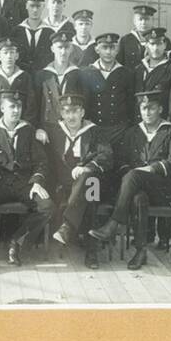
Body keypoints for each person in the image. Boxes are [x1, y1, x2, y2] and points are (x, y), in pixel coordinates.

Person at [91, 90, 171, 270]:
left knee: (134, 176)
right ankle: (140, 251)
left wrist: (151, 168)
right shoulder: (133, 132)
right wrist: (133, 172)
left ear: (160, 109)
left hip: (162, 189)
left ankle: (113, 224)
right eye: (144, 108)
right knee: (138, 198)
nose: (147, 112)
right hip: (136, 189)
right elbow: (121, 162)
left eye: (151, 108)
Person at [0, 89, 53, 274]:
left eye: (18, 107)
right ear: (2, 108)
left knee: (46, 206)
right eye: (11, 107)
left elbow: (41, 161)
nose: (16, 111)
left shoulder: (28, 130)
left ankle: (17, 242)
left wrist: (37, 182)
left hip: (23, 183)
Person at [47, 93, 112, 269]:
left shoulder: (94, 131)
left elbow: (106, 155)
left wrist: (88, 167)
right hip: (64, 184)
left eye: (75, 111)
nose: (71, 116)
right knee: (87, 194)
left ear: (82, 112)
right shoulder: (55, 131)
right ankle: (89, 247)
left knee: (91, 191)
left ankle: (72, 231)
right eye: (67, 111)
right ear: (61, 113)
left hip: (92, 181)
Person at [80, 32, 137, 141]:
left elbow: (131, 103)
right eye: (104, 47)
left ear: (117, 50)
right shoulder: (87, 73)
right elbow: (85, 103)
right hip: (94, 129)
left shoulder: (126, 73)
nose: (108, 52)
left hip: (120, 131)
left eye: (112, 48)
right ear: (97, 49)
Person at [34, 31, 87, 133]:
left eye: (66, 47)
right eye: (59, 47)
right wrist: (39, 128)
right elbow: (36, 105)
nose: (63, 52)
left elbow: (85, 104)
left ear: (71, 49)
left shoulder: (78, 74)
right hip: (47, 129)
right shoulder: (42, 75)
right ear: (52, 49)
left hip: (71, 129)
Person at [0, 36, 37, 126]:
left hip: (20, 126)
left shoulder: (25, 77)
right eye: (5, 53)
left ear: (17, 56)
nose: (9, 56)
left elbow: (31, 105)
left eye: (12, 53)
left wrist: (24, 125)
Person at [136, 26, 171, 129]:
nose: (155, 48)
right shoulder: (139, 70)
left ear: (165, 45)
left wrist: (170, 127)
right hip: (141, 126)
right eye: (152, 44)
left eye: (159, 43)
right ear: (146, 46)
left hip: (163, 125)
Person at [12, 0, 55, 73]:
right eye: (32, 6)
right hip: (21, 77)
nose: (35, 10)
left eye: (38, 6)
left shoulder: (50, 33)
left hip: (42, 78)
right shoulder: (16, 31)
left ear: (43, 7)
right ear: (26, 6)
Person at [117, 4, 159, 69]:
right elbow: (119, 65)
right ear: (134, 21)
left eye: (147, 19)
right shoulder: (125, 40)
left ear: (153, 21)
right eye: (140, 19)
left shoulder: (162, 40)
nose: (143, 22)